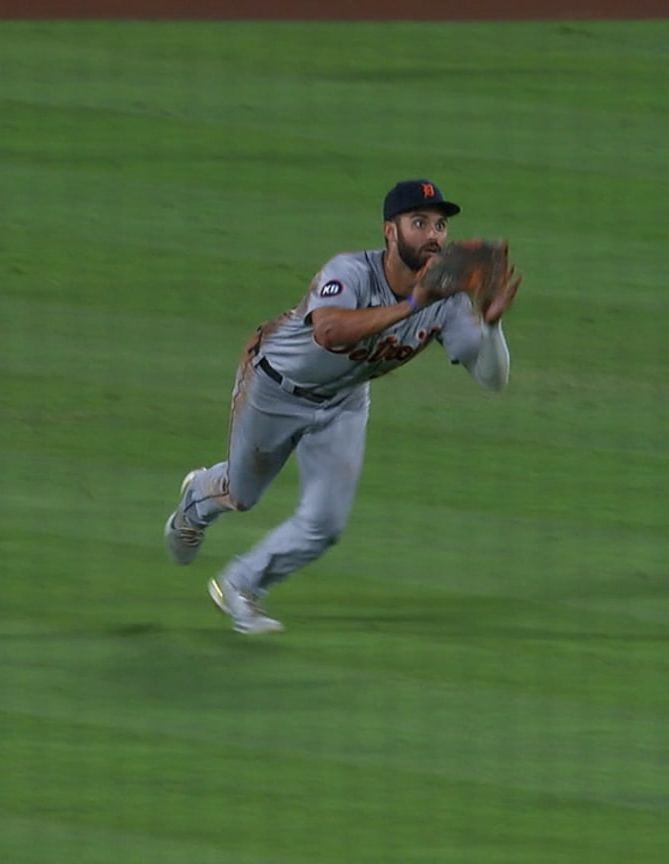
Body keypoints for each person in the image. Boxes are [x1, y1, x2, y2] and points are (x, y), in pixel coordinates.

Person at [164, 178, 522, 634]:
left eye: (440, 226)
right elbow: (329, 333)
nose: (434, 235)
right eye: (419, 223)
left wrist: (491, 327)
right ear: (390, 232)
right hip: (274, 386)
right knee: (241, 495)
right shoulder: (350, 272)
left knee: (325, 523)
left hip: (344, 402)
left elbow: (492, 380)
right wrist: (413, 303)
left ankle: (242, 585)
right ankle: (198, 498)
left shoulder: (448, 302)